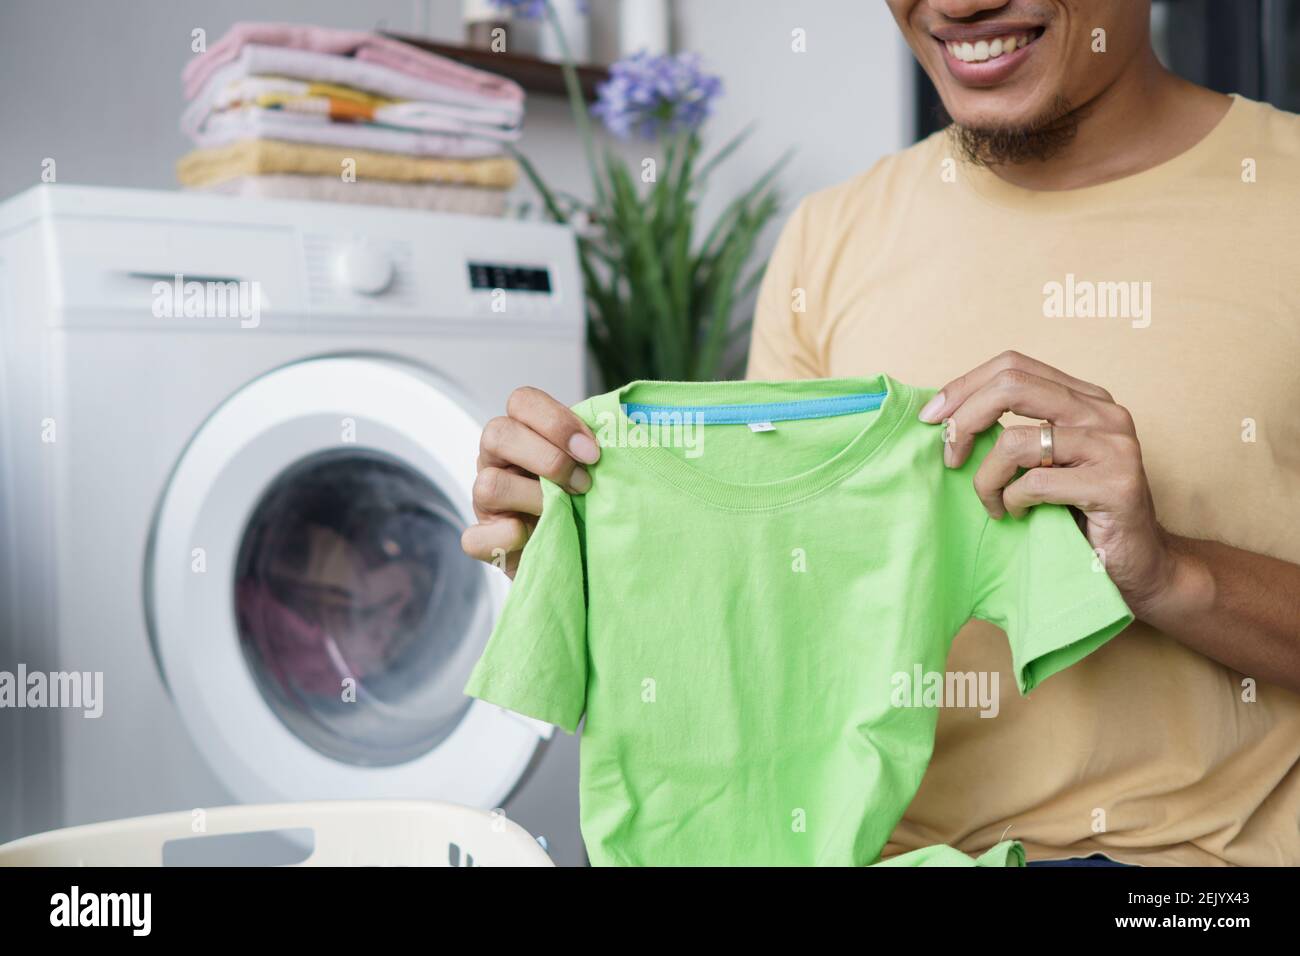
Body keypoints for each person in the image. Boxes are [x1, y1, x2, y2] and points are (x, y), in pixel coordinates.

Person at [460, 0, 1300, 866]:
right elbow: (774, 633)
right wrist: (605, 559)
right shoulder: (829, 238)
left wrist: (1170, 573)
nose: (960, 4)